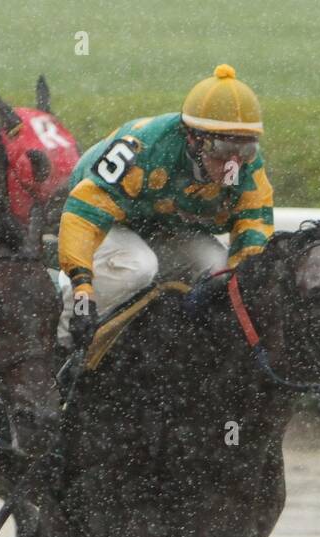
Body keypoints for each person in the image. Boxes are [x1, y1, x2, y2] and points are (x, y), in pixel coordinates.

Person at [57, 64, 274, 350]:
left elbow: (253, 234)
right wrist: (84, 291)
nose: (233, 165)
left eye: (246, 150)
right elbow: (84, 216)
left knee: (220, 273)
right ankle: (58, 342)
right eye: (222, 150)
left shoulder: (248, 169)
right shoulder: (144, 148)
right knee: (139, 266)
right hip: (105, 219)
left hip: (166, 225)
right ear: (193, 138)